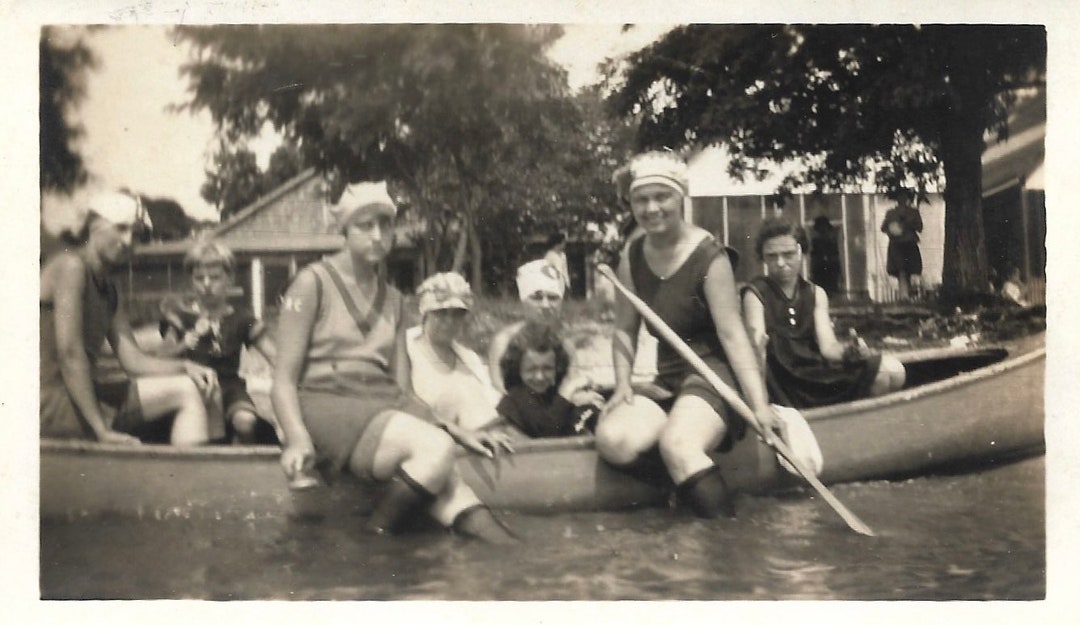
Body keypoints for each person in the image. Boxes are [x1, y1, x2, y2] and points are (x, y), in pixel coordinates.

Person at [271, 181, 517, 542]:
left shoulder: (395, 299)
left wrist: (452, 427)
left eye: (385, 225)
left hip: (380, 405)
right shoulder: (312, 283)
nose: (377, 235)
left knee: (457, 492)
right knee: (435, 450)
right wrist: (296, 439)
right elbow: (282, 381)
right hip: (325, 405)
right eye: (365, 225)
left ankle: (515, 558)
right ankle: (375, 539)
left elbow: (402, 390)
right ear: (344, 229)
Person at [596, 151, 782, 519]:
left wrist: (759, 406)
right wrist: (622, 386)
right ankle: (688, 485)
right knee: (613, 440)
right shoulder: (631, 258)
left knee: (678, 444)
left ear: (681, 197)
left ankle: (727, 543)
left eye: (661, 197)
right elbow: (623, 331)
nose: (651, 208)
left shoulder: (710, 257)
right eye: (641, 199)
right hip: (670, 379)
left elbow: (733, 336)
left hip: (718, 376)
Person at [40, 190, 219, 445]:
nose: (128, 241)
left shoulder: (109, 288)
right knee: (185, 395)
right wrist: (101, 430)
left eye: (135, 234)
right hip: (49, 404)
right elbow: (70, 354)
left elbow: (133, 361)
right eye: (121, 228)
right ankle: (188, 480)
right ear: (94, 226)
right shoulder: (72, 267)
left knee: (194, 385)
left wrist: (186, 366)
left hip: (81, 396)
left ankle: (197, 471)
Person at [741, 217, 906, 409]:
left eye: (788, 254)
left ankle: (860, 423)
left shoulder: (815, 293)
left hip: (812, 372)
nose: (780, 263)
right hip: (782, 382)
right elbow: (756, 350)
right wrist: (759, 402)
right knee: (882, 377)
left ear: (801, 252)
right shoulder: (756, 293)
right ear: (763, 257)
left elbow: (828, 348)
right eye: (772, 256)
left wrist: (850, 352)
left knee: (896, 372)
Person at [158, 239, 279, 444]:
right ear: (190, 280)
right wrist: (184, 343)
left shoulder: (241, 318)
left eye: (214, 278)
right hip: (191, 386)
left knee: (246, 421)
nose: (206, 285)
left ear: (230, 279)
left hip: (229, 386)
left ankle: (247, 461)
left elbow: (275, 356)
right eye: (199, 278)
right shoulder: (181, 316)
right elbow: (162, 357)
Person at [406, 271, 505, 432]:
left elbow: (492, 403)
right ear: (426, 314)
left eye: (457, 315)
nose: (449, 322)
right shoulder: (406, 350)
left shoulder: (470, 359)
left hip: (479, 438)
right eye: (441, 313)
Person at [496, 320, 605, 438]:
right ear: (518, 369)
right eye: (531, 370)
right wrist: (566, 394)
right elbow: (547, 432)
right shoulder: (513, 400)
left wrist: (590, 407)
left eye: (547, 369)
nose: (539, 376)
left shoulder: (553, 394)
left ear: (557, 367)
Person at [487, 259, 577, 394]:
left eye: (553, 298)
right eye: (537, 298)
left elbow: (571, 385)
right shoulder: (504, 342)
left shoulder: (565, 345)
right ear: (523, 301)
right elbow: (497, 389)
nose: (546, 305)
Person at [880, 193, 923, 300]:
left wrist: (895, 227)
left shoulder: (891, 213)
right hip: (906, 244)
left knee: (902, 270)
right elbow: (919, 227)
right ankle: (908, 295)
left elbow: (883, 228)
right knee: (907, 269)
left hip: (899, 244)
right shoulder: (913, 212)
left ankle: (906, 295)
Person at [809, 215, 841, 299]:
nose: (823, 231)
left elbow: (835, 257)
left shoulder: (832, 242)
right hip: (820, 270)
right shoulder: (816, 242)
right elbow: (814, 258)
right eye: (820, 229)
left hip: (830, 269)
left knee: (830, 292)